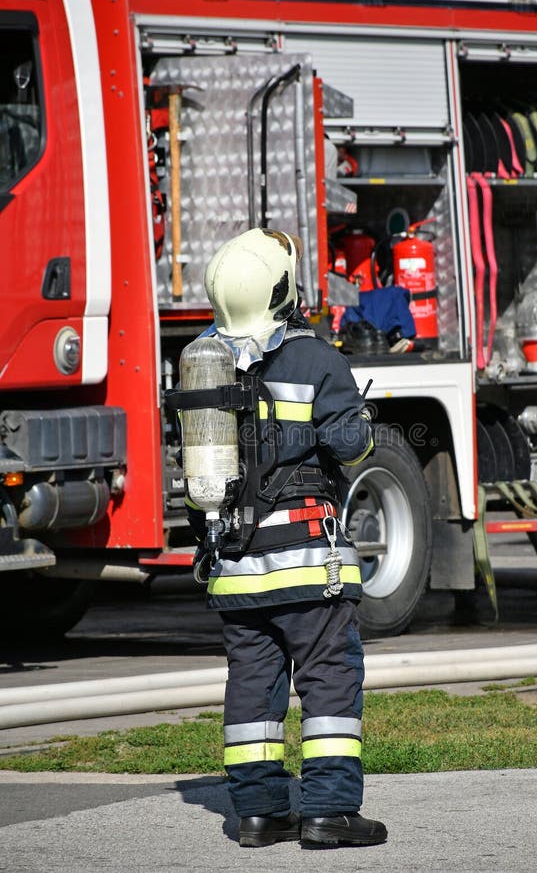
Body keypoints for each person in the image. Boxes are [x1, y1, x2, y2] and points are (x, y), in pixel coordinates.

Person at [184, 227, 387, 849]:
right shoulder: (315, 358)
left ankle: (259, 814)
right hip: (306, 566)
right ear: (281, 288)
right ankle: (328, 811)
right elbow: (354, 448)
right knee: (328, 682)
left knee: (253, 686)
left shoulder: (202, 361)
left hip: (235, 565)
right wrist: (360, 416)